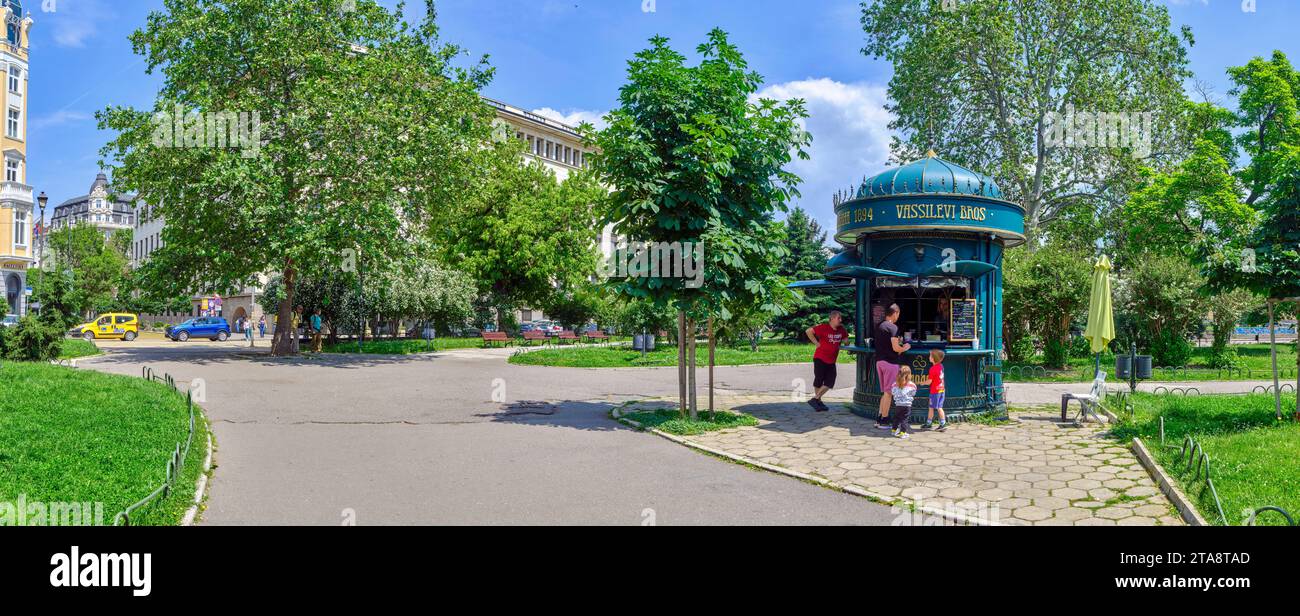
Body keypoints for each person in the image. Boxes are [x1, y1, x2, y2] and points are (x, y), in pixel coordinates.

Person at [873, 304, 912, 429]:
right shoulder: (893, 327)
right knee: (889, 392)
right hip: (890, 363)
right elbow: (896, 348)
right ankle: (884, 420)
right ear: (895, 313)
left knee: (885, 392)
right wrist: (905, 347)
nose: (898, 317)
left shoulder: (879, 326)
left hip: (879, 362)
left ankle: (879, 418)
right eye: (898, 314)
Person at [805, 311, 849, 412]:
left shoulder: (841, 329)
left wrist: (846, 341)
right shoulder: (823, 327)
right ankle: (818, 403)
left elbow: (846, 341)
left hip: (831, 360)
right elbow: (808, 331)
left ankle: (815, 399)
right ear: (832, 318)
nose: (840, 320)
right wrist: (816, 343)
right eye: (838, 318)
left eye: (840, 318)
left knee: (830, 381)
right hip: (820, 358)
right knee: (819, 380)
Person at [921, 348, 948, 431]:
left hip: (935, 392)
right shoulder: (941, 366)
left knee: (938, 407)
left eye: (930, 356)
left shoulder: (932, 369)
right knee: (932, 406)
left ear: (933, 358)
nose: (929, 357)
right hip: (941, 390)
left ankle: (943, 424)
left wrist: (923, 383)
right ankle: (929, 423)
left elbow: (929, 382)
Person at [890, 365, 917, 439]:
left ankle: (893, 430)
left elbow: (892, 392)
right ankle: (902, 433)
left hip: (898, 405)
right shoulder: (912, 385)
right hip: (907, 405)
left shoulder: (894, 384)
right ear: (909, 375)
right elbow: (913, 393)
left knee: (896, 418)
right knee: (904, 419)